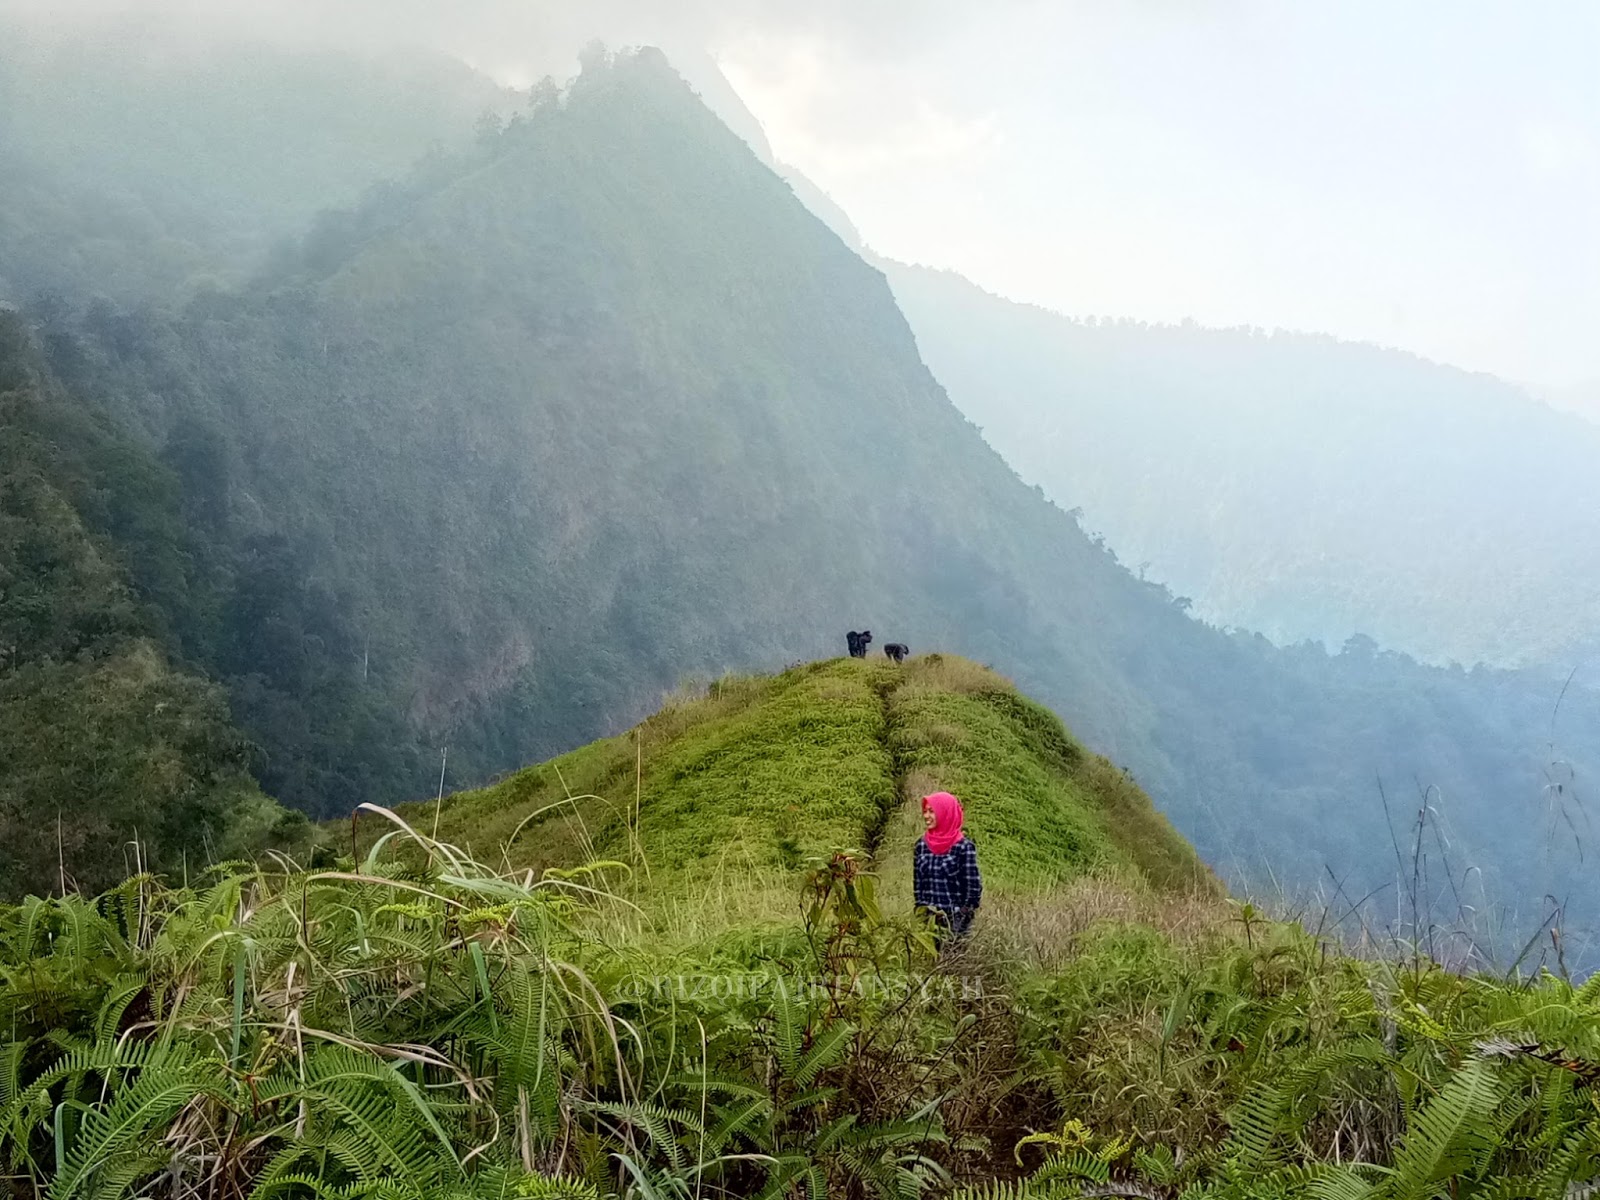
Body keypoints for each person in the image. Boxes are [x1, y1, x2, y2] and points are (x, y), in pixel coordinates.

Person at [913, 791, 982, 946]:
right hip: (930, 918)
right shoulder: (922, 846)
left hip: (955, 918)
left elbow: (973, 887)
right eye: (925, 811)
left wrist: (962, 915)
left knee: (952, 962)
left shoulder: (963, 847)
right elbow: (918, 884)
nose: (926, 816)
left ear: (945, 813)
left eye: (932, 811)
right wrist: (920, 910)